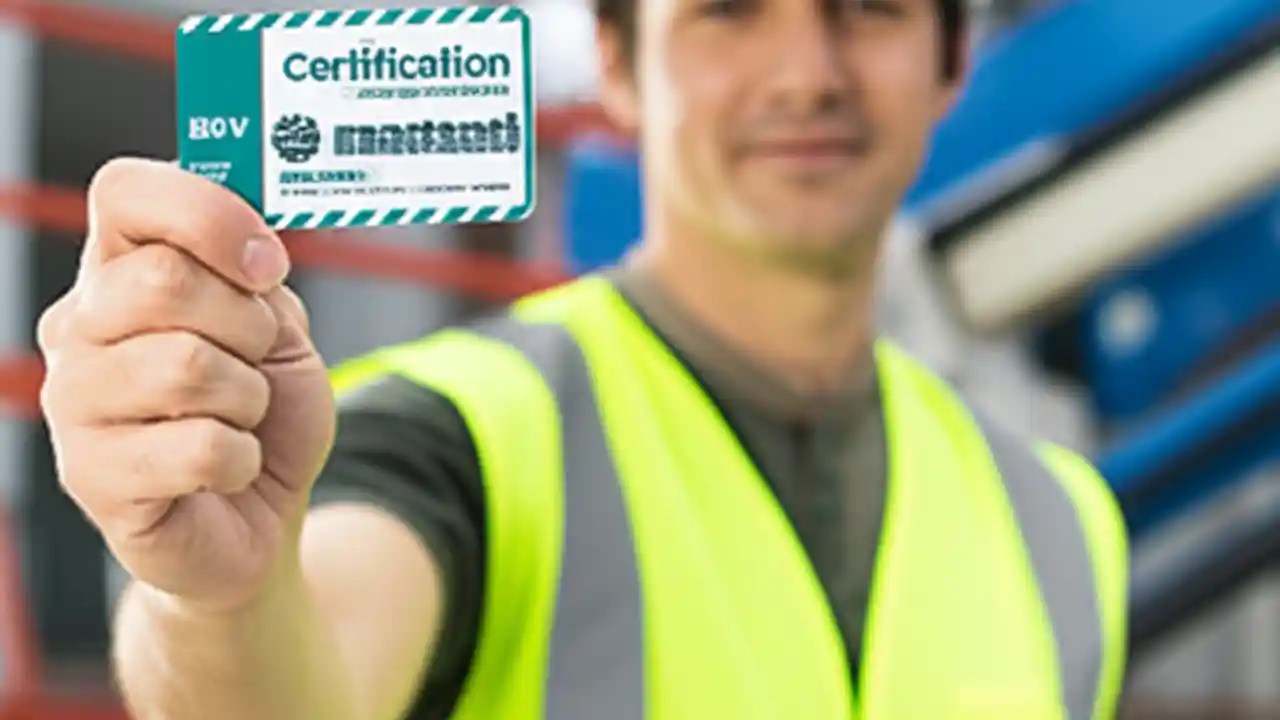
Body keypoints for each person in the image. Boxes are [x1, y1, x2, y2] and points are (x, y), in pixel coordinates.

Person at [36, 0, 1128, 717]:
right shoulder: (451, 433)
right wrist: (225, 603)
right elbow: (308, 677)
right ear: (616, 63)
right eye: (729, 13)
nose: (805, 72)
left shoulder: (1063, 521)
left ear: (948, 64)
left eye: (867, 9)